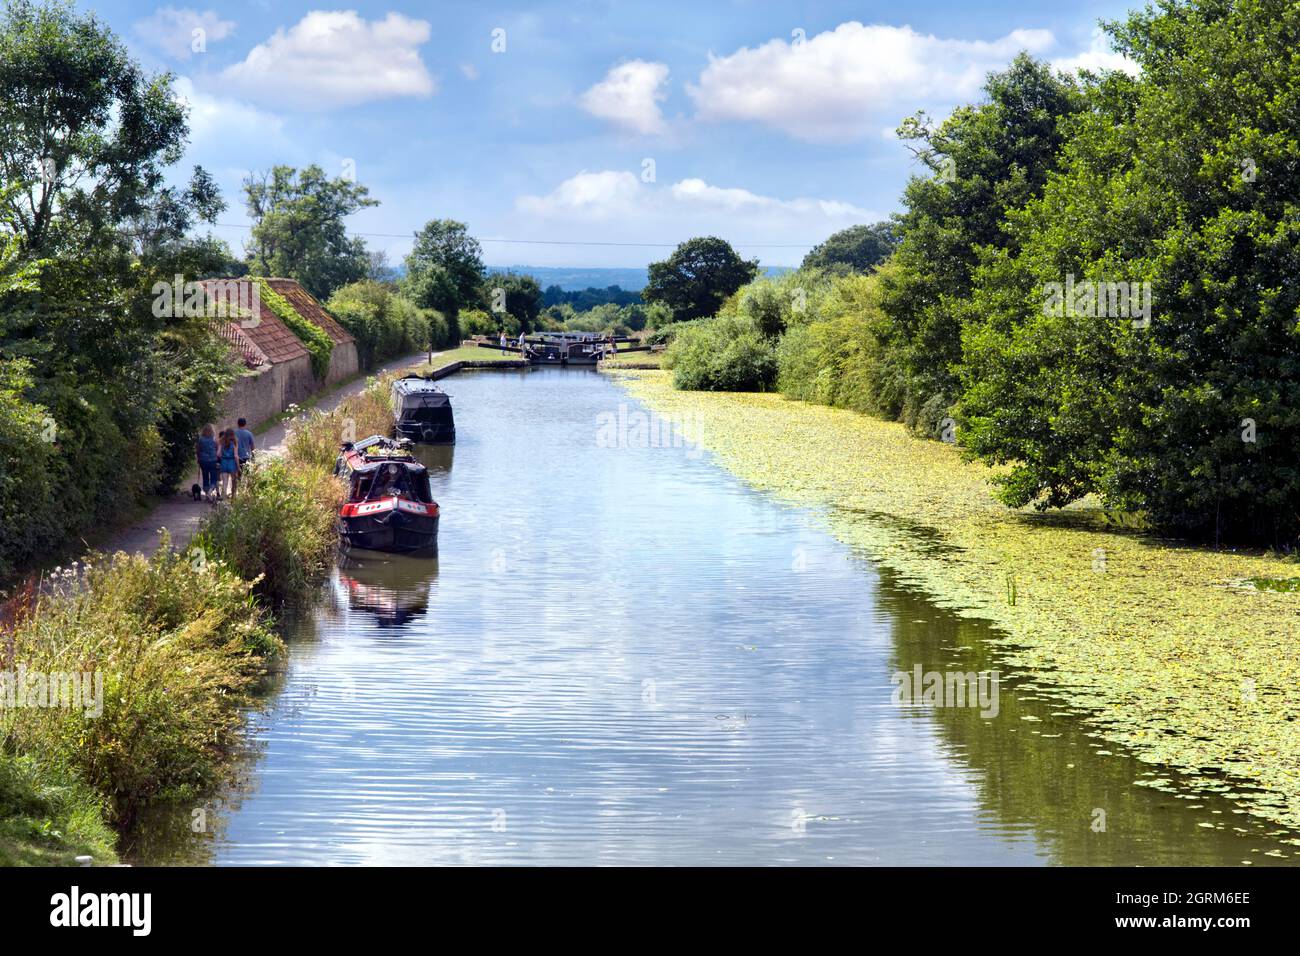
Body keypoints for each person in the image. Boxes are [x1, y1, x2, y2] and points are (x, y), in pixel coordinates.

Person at [195, 424, 219, 503]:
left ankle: (207, 495)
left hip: (203, 460)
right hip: (213, 460)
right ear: (212, 430)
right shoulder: (214, 439)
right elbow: (217, 448)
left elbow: (198, 450)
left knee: (205, 477)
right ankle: (209, 492)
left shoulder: (201, 439)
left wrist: (198, 458)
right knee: (213, 478)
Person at [218, 428, 241, 500]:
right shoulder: (234, 442)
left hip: (224, 463)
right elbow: (236, 456)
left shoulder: (221, 441)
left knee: (225, 482)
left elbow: (218, 454)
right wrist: (238, 466)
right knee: (234, 481)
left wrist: (223, 457)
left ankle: (224, 498)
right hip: (232, 463)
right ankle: (233, 496)